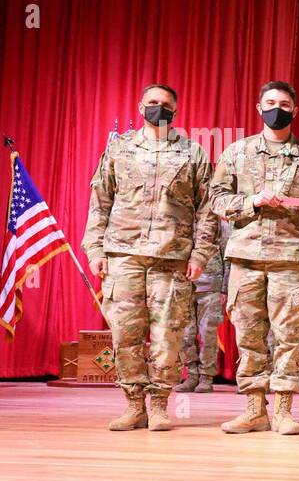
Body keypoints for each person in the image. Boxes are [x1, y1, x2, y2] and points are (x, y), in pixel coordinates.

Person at [210, 80, 299, 435]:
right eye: (270, 102)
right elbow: (217, 200)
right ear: (259, 108)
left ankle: (284, 410)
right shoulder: (236, 153)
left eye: (284, 104)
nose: (277, 109)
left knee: (289, 336)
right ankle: (254, 409)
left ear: (295, 111)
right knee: (249, 336)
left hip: (290, 258)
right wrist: (251, 201)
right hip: (246, 258)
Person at [82, 83, 218, 430]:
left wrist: (200, 254)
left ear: (176, 109)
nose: (159, 107)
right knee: (125, 335)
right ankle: (133, 405)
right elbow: (100, 200)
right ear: (140, 107)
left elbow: (207, 210)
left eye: (166, 103)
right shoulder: (119, 149)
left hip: (171, 258)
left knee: (167, 337)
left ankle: (158, 405)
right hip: (123, 254)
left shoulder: (192, 153)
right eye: (152, 102)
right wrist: (95, 249)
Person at [176, 219, 229, 393]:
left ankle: (206, 377)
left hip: (211, 286)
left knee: (208, 334)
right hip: (183, 285)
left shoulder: (218, 224)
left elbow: (227, 257)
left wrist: (225, 289)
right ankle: (191, 375)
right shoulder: (180, 218)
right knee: (185, 334)